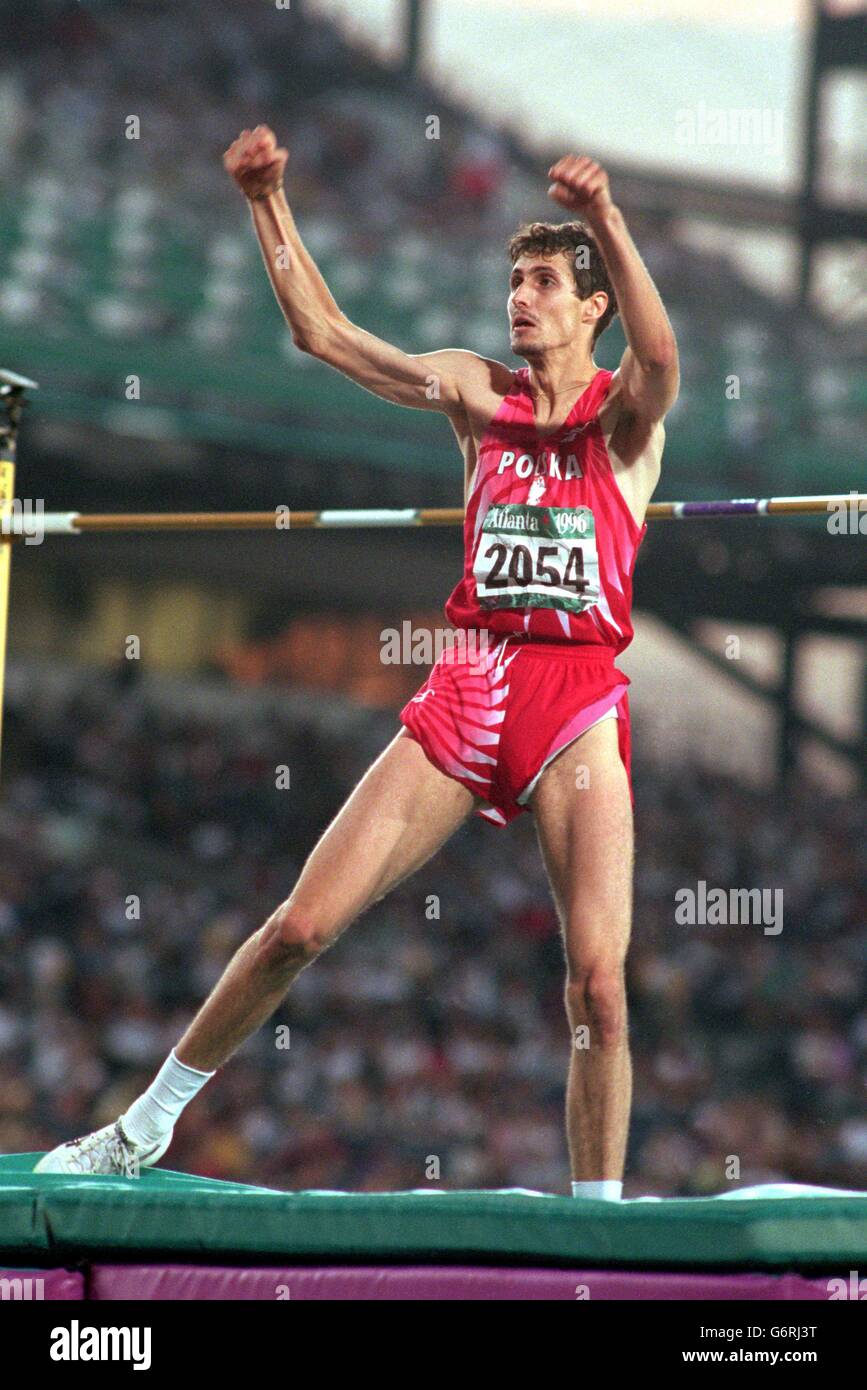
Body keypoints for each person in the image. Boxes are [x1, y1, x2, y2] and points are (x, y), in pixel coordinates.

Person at [37, 128, 679, 1197]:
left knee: (600, 990)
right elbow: (326, 335)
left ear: (590, 306)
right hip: (474, 681)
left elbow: (662, 362)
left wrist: (609, 219)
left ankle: (598, 1225)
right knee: (299, 925)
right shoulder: (477, 395)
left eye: (543, 285)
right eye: (512, 280)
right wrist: (266, 200)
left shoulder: (623, 421)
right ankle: (141, 1129)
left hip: (576, 700)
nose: (518, 299)